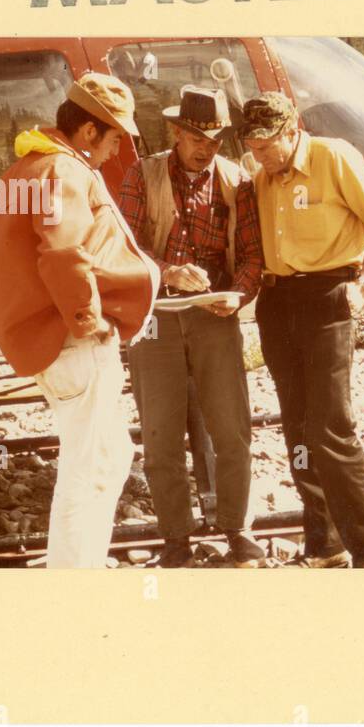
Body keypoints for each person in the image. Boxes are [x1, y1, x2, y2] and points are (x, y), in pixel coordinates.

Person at [0, 73, 158, 568]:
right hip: (76, 345)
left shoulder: (27, 168)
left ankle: (78, 570)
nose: (116, 150)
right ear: (90, 132)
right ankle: (76, 588)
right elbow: (62, 252)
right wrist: (85, 317)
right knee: (91, 469)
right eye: (115, 137)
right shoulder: (64, 171)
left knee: (110, 456)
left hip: (55, 342)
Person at [240, 92, 364, 568]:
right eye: (253, 147)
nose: (261, 156)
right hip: (277, 302)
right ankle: (325, 543)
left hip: (327, 297)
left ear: (292, 130)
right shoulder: (261, 176)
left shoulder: (334, 157)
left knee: (331, 429)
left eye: (268, 145)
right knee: (296, 427)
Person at [117, 85, 265, 568]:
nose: (207, 147)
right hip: (155, 319)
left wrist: (239, 294)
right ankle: (175, 539)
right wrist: (167, 272)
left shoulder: (237, 181)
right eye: (198, 137)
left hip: (214, 317)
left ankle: (237, 530)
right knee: (160, 437)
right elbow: (127, 248)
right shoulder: (142, 174)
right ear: (176, 133)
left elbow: (251, 256)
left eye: (216, 139)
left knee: (231, 430)